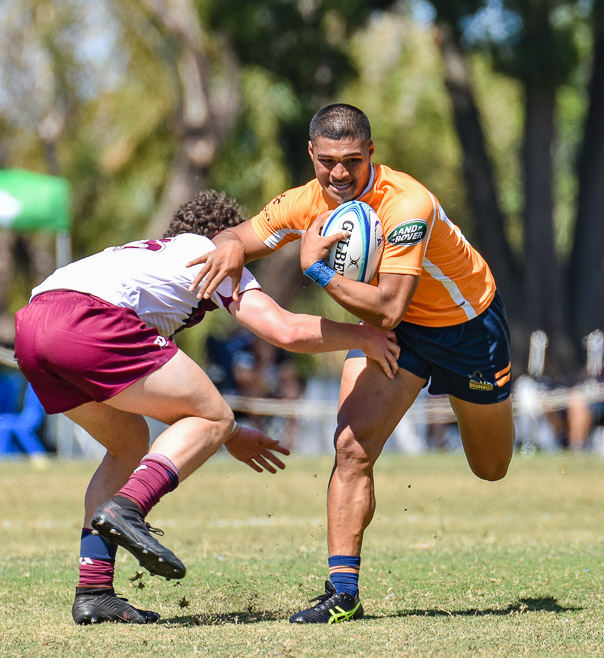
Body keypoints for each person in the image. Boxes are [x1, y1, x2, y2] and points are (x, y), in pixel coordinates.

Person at [188, 104, 515, 624]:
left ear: (371, 153)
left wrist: (315, 268)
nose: (339, 174)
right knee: (351, 446)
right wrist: (228, 247)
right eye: (328, 162)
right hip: (395, 336)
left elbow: (389, 306)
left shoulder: (406, 204)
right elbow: (238, 236)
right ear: (312, 154)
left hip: (467, 327)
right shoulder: (305, 201)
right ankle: (344, 592)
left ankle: (467, 401)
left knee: (491, 467)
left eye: (352, 161)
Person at [13, 190, 400, 626]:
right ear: (223, 234)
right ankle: (128, 506)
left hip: (33, 327)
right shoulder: (213, 252)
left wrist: (228, 436)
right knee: (214, 414)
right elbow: (284, 329)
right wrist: (362, 336)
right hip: (89, 320)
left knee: (129, 444)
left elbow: (173, 401)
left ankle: (94, 591)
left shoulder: (143, 256)